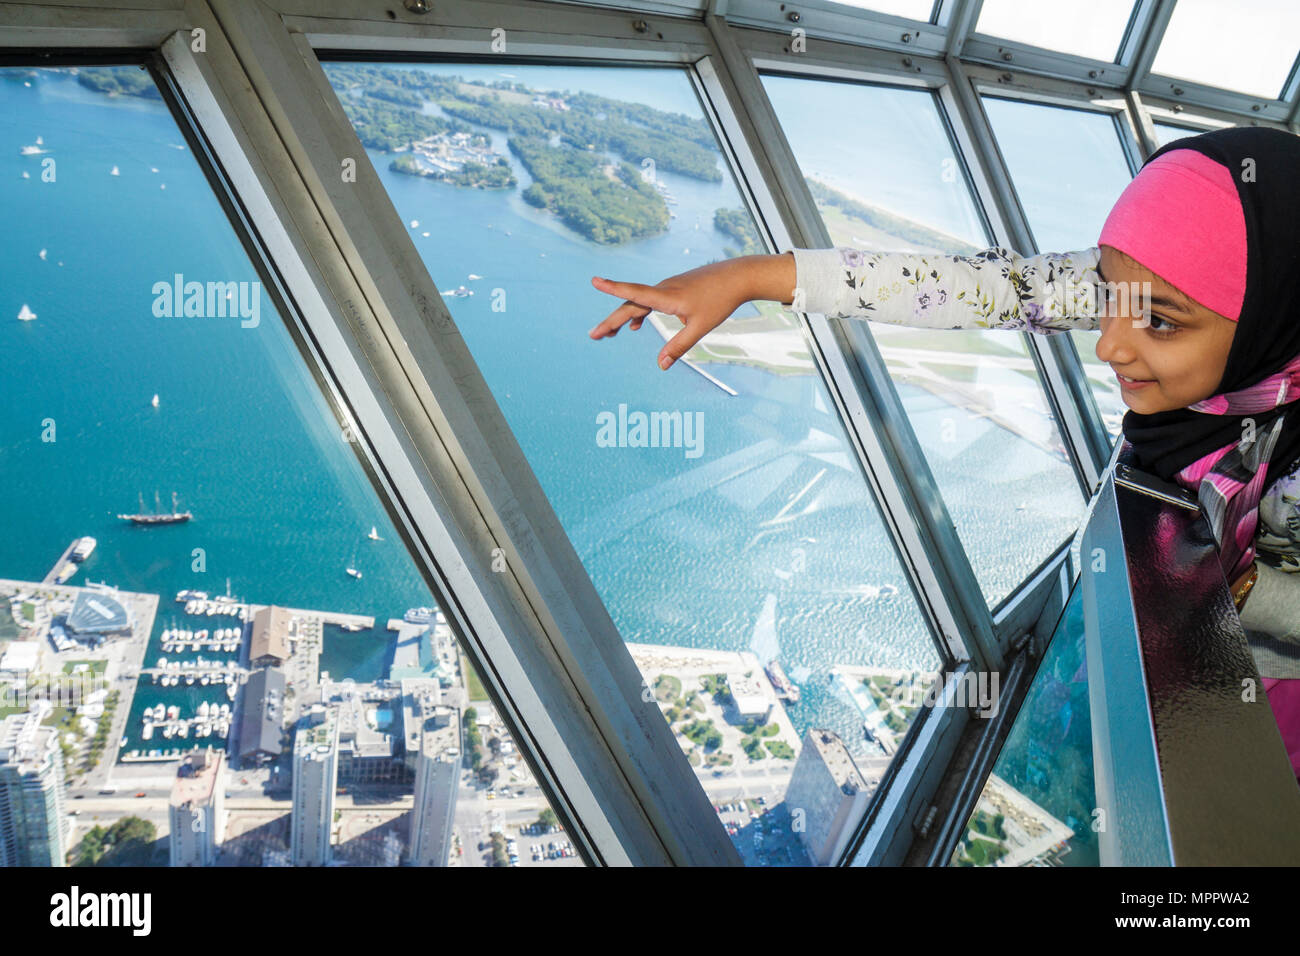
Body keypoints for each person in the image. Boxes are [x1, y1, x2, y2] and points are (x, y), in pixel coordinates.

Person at [589, 125, 1300, 779]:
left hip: (1254, 738)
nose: (1110, 343)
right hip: (1134, 686)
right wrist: (749, 278)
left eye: (1159, 323)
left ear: (1276, 316)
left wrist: (1250, 595)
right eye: (1108, 296)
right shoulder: (1159, 290)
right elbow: (969, 287)